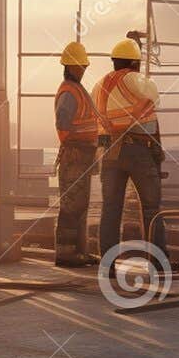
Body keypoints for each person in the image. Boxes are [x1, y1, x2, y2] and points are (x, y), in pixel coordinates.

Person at [94, 37, 178, 274]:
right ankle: (158, 262)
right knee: (151, 208)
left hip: (109, 152)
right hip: (138, 150)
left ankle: (107, 264)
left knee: (111, 208)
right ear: (134, 62)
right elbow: (152, 103)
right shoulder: (136, 80)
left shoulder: (99, 86)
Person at [53, 41, 100, 268]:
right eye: (81, 66)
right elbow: (63, 123)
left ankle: (80, 252)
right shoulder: (70, 92)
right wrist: (74, 144)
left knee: (80, 206)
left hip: (83, 155)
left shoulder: (77, 90)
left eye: (84, 66)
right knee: (71, 205)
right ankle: (66, 254)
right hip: (75, 155)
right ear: (71, 66)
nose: (83, 69)